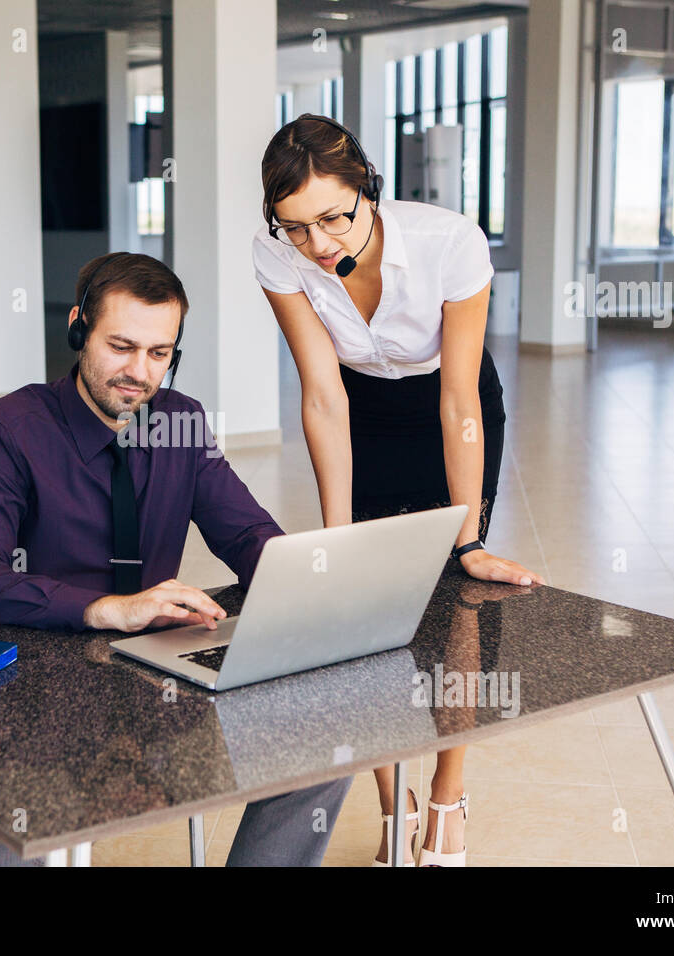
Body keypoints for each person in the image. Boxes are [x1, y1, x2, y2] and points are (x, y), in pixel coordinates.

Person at [0, 251, 352, 866]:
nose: (139, 373)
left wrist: (315, 584)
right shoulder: (10, 430)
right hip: (32, 687)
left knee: (327, 741)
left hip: (157, 679)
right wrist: (109, 609)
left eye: (160, 354)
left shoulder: (180, 422)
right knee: (9, 850)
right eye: (121, 347)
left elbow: (245, 534)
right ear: (78, 327)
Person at [252, 114, 546, 867]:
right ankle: (393, 805)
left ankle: (447, 796)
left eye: (333, 218)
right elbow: (322, 396)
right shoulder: (279, 256)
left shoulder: (450, 243)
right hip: (364, 409)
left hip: (452, 406)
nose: (321, 245)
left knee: (457, 605)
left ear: (366, 188)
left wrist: (470, 537)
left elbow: (460, 402)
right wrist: (339, 538)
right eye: (296, 227)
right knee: (365, 609)